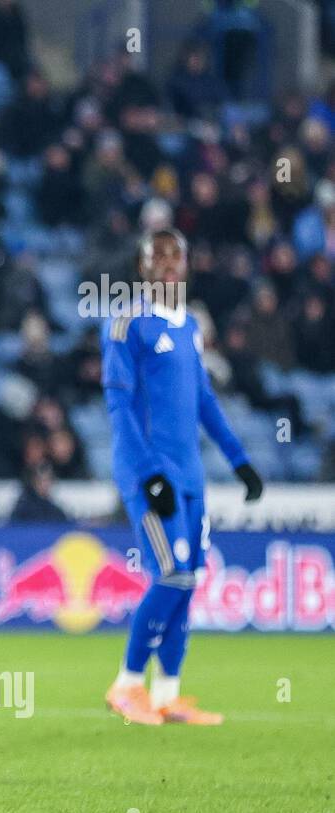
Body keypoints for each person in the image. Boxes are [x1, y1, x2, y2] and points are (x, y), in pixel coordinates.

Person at [101, 228, 264, 726]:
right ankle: (128, 685)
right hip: (150, 475)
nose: (169, 264)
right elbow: (119, 404)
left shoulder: (190, 325)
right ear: (143, 266)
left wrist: (238, 459)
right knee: (170, 573)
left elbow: (204, 402)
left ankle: (168, 693)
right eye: (158, 257)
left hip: (191, 476)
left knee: (188, 579)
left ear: (187, 265)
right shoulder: (128, 324)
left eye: (176, 256)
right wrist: (149, 474)